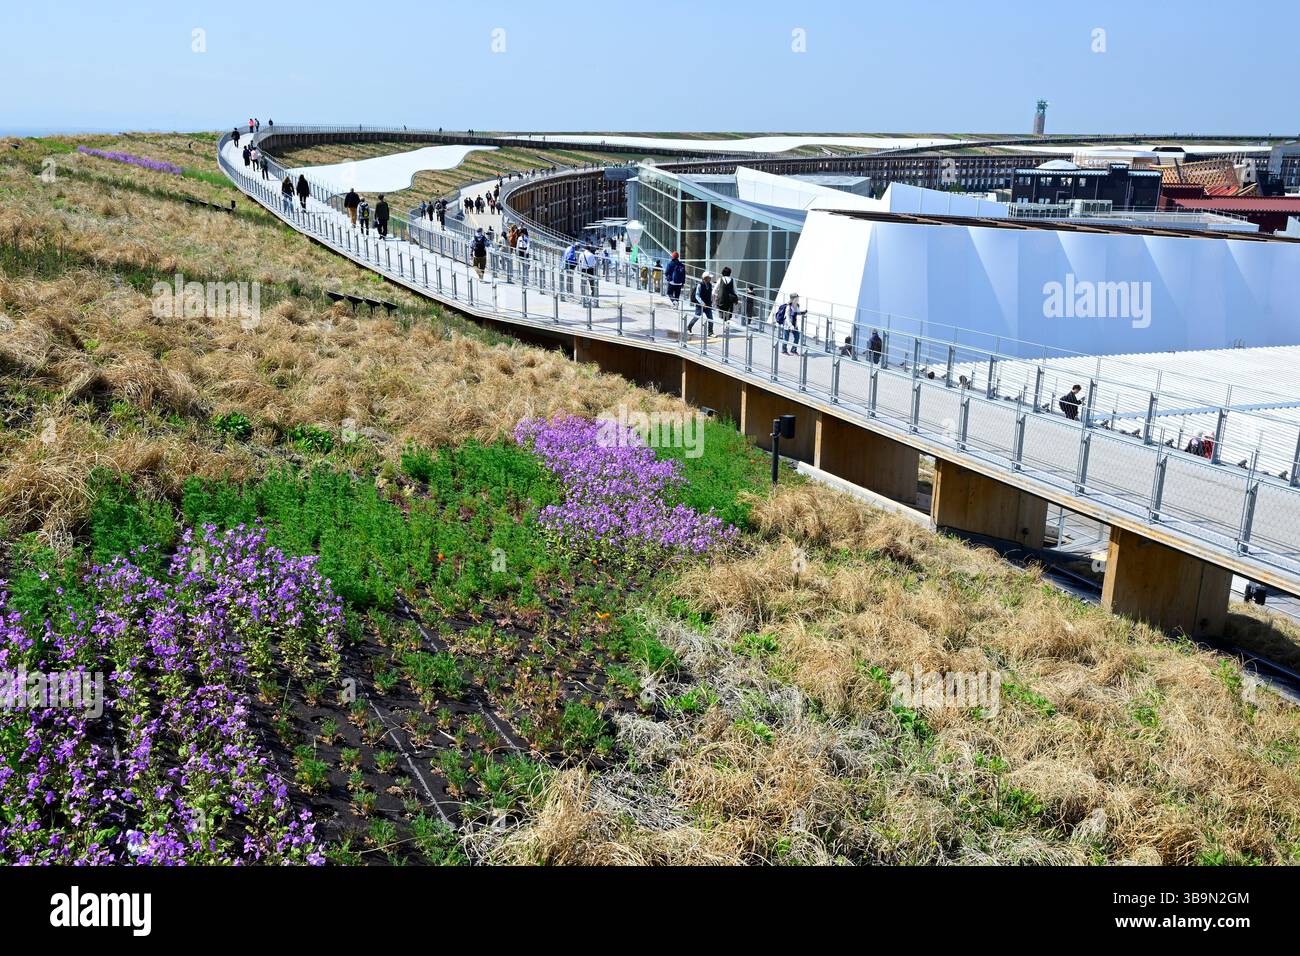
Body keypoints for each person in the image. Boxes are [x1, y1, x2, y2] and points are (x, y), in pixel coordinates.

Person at [687, 272, 714, 337]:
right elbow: (697, 295)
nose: (710, 278)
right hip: (700, 305)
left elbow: (710, 294)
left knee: (710, 318)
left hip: (708, 305)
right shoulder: (700, 285)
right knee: (696, 317)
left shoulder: (710, 285)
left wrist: (711, 301)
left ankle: (710, 332)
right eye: (709, 277)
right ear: (705, 278)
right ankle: (688, 328)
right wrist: (702, 303)